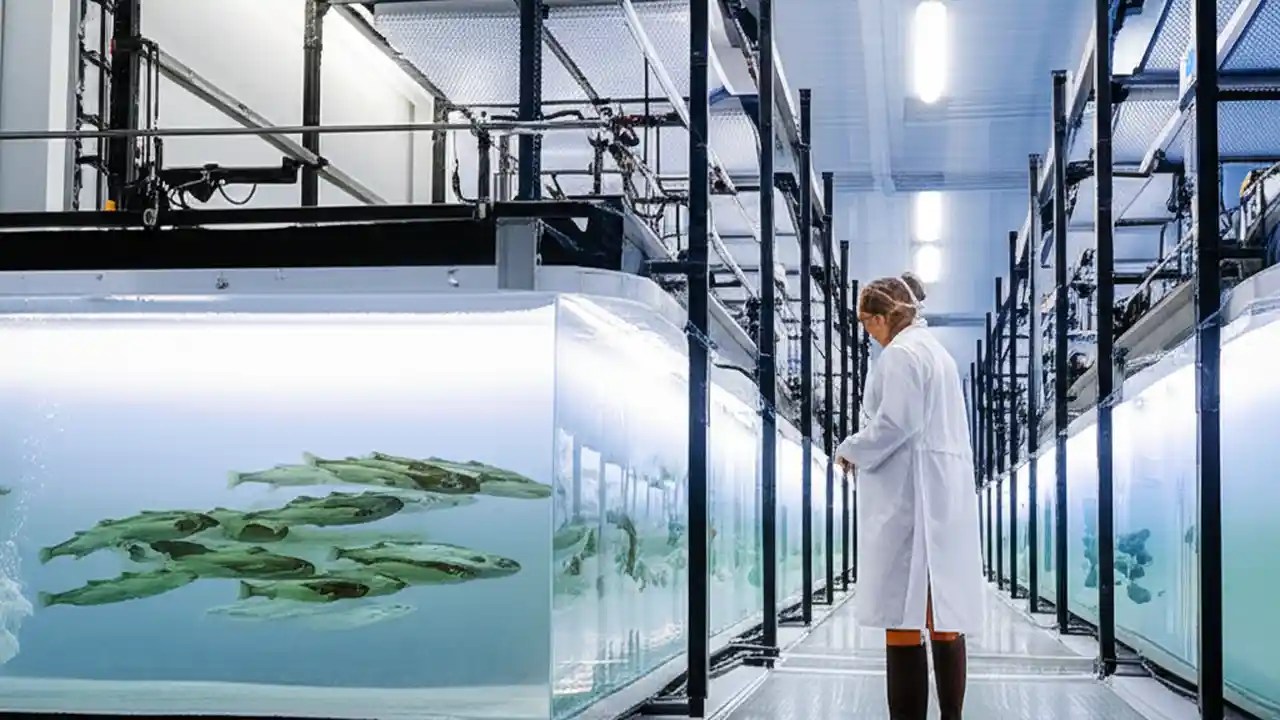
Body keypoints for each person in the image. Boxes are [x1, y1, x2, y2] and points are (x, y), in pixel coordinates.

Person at [834, 272, 984, 720]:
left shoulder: (900, 356)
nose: (867, 333)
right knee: (943, 620)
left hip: (910, 505)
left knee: (901, 623)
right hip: (942, 499)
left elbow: (896, 424)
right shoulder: (937, 354)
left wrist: (849, 450)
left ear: (885, 317)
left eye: (867, 323)